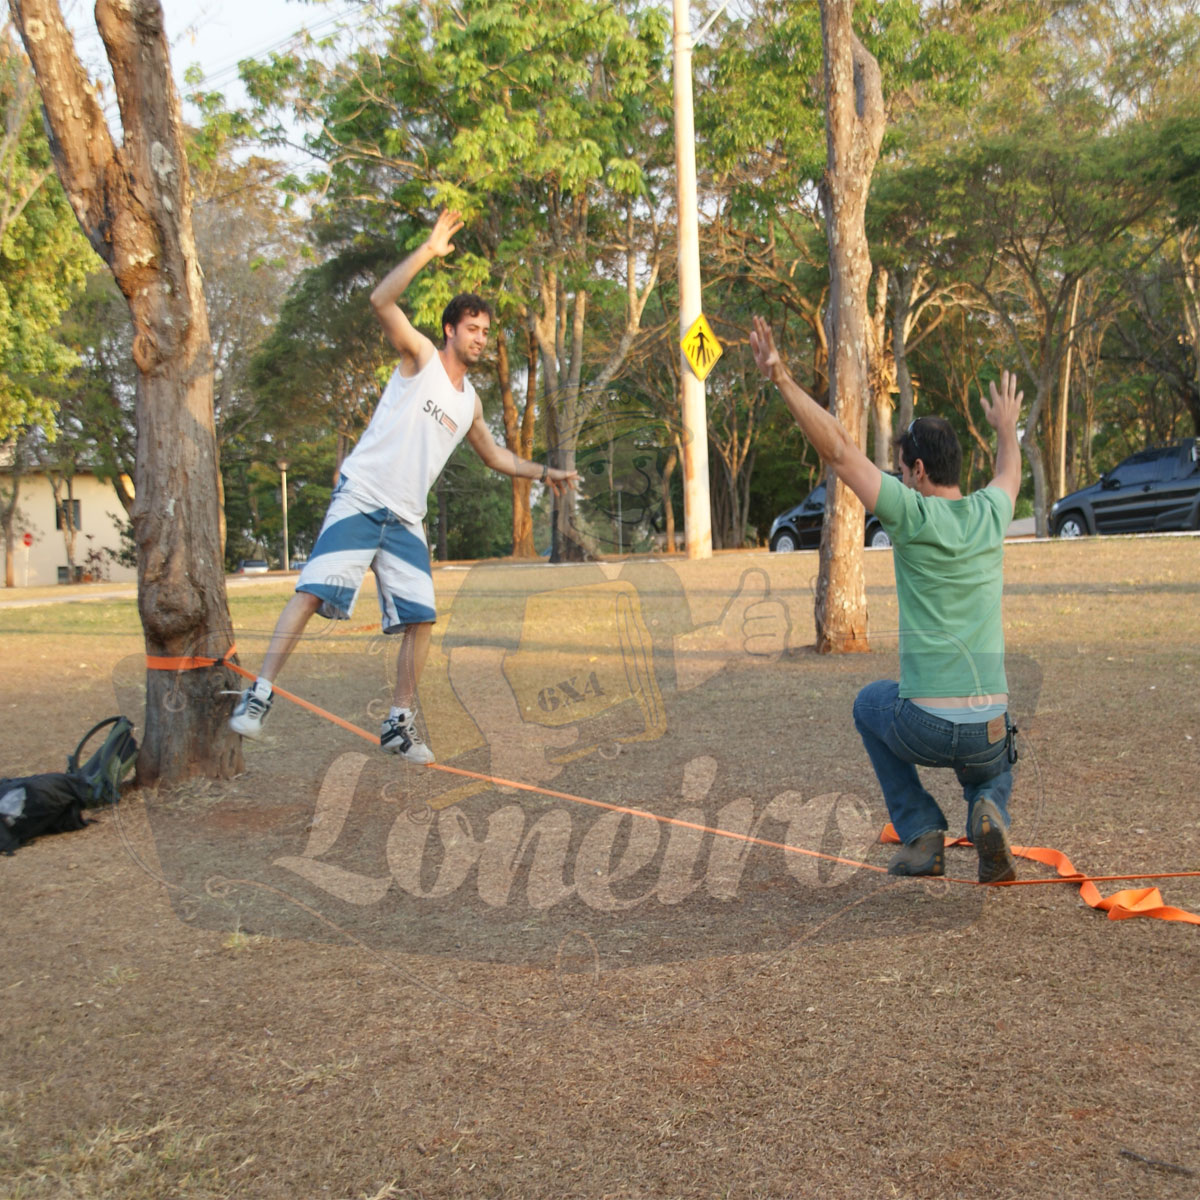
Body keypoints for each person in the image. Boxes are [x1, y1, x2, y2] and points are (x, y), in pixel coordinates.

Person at [229, 210, 579, 762]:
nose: (481, 339)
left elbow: (495, 457)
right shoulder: (420, 358)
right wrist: (428, 250)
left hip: (405, 519)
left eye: (487, 332)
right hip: (364, 494)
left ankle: (398, 721)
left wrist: (545, 472)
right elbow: (380, 302)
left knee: (422, 619)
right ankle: (260, 692)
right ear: (450, 329)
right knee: (312, 591)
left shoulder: (470, 402)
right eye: (473, 329)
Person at [749, 315, 1023, 883]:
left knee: (868, 704)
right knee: (994, 754)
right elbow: (1008, 472)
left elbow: (841, 451)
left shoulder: (911, 511)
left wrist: (781, 378)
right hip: (987, 727)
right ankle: (987, 807)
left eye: (901, 469)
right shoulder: (991, 513)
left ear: (917, 471)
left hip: (924, 723)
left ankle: (923, 831)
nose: (899, 477)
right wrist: (1005, 427)